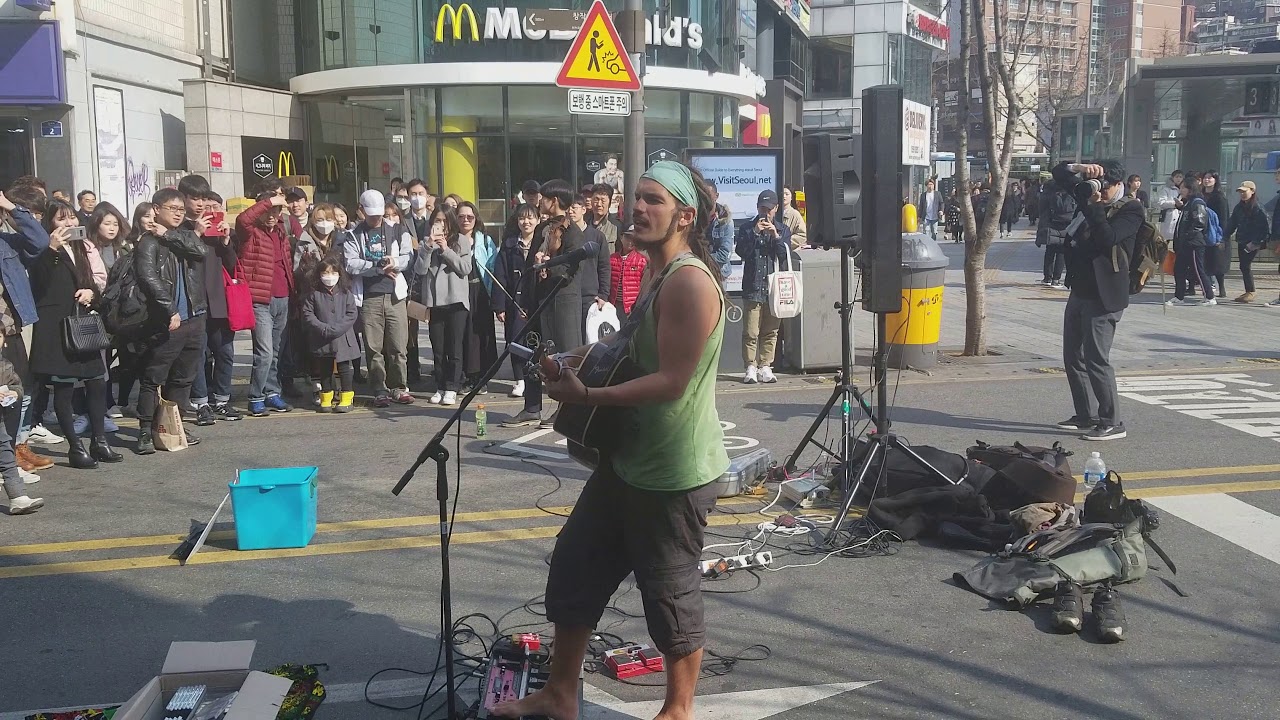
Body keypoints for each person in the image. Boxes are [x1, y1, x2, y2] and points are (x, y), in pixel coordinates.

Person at [492, 160, 729, 720]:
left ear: (685, 217)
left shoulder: (690, 282)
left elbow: (672, 381)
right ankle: (559, 694)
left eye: (654, 200)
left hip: (673, 472)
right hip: (628, 460)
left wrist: (585, 398)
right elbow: (628, 347)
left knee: (669, 594)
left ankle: (678, 709)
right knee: (576, 566)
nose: (638, 208)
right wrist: (576, 359)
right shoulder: (656, 272)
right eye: (638, 197)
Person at [1055, 160, 1143, 443]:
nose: (1100, 192)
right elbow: (1059, 173)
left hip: (1105, 294)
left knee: (1097, 359)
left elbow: (1108, 238)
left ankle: (1112, 421)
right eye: (1099, 186)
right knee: (1073, 356)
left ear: (1120, 185)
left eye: (1106, 187)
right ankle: (1085, 415)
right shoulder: (1088, 193)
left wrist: (1094, 206)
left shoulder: (1131, 209)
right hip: (1080, 288)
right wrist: (1080, 168)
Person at [30, 200, 120, 468]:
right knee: (64, 385)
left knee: (96, 380)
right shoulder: (41, 248)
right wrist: (52, 250)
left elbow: (94, 280)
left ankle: (99, 441)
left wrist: (92, 293)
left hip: (82, 322)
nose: (68, 224)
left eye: (71, 218)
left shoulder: (83, 247)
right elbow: (39, 282)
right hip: (55, 325)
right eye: (61, 219)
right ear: (50, 223)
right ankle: (75, 446)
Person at [133, 188, 210, 455]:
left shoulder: (180, 236)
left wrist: (167, 234)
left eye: (180, 209)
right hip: (168, 320)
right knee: (154, 376)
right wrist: (169, 310)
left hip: (195, 318)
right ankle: (145, 430)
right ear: (156, 209)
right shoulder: (147, 242)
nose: (178, 213)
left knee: (183, 377)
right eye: (172, 209)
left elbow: (200, 250)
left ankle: (172, 425)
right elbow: (148, 278)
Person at [0, 185, 56, 476]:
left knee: (17, 389)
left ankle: (13, 451)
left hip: (11, 325)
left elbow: (39, 240)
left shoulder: (7, 240)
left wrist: (11, 208)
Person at [345, 189, 413, 408]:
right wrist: (376, 268)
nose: (376, 218)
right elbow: (350, 263)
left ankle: (399, 387)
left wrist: (393, 262)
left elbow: (407, 256)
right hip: (369, 297)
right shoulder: (354, 234)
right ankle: (379, 388)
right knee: (374, 347)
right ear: (362, 210)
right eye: (371, 213)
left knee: (398, 345)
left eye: (379, 213)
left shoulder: (397, 229)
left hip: (395, 295)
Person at [235, 184, 295, 416]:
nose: (272, 216)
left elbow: (286, 265)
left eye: (277, 212)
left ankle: (272, 392)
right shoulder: (250, 232)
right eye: (268, 211)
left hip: (283, 298)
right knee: (265, 352)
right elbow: (242, 219)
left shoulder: (281, 232)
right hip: (260, 300)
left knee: (276, 351)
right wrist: (271, 201)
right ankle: (255, 396)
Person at [416, 206, 472, 406]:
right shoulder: (426, 242)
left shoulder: (461, 241)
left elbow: (465, 268)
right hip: (435, 302)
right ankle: (440, 385)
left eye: (443, 221)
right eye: (436, 221)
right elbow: (420, 270)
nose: (439, 226)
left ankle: (452, 387)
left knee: (454, 347)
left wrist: (446, 249)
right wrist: (429, 247)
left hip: (456, 301)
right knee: (438, 347)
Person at [735, 189, 791, 385]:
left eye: (769, 209)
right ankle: (750, 366)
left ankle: (766, 365)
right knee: (750, 331)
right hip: (753, 286)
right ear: (757, 207)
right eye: (761, 208)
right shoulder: (747, 228)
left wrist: (775, 236)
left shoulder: (783, 230)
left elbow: (784, 257)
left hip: (774, 288)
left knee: (771, 330)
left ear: (775, 209)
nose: (765, 213)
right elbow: (742, 252)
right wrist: (755, 233)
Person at [493, 204, 539, 401]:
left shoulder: (542, 243)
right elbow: (500, 275)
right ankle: (519, 379)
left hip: (536, 301)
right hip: (514, 301)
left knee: (535, 342)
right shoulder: (509, 244)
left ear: (538, 220)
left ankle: (536, 376)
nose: (526, 222)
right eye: (522, 218)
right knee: (515, 340)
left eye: (530, 218)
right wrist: (500, 306)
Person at [301, 258, 359, 413]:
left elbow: (352, 313)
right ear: (319, 274)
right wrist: (323, 328)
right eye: (325, 272)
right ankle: (326, 398)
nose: (329, 276)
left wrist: (337, 328)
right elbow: (308, 314)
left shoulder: (346, 293)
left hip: (343, 337)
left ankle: (346, 399)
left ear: (339, 274)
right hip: (322, 338)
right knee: (325, 370)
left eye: (333, 272)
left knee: (345, 368)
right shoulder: (314, 294)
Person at [458, 200, 498, 393]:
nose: (466, 220)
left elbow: (493, 266)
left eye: (470, 217)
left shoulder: (484, 240)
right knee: (463, 335)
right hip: (459, 292)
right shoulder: (452, 239)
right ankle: (466, 375)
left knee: (480, 335)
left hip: (480, 292)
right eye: (461, 217)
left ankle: (482, 377)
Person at [0, 343, 41, 513]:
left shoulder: (4, 365)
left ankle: (18, 497)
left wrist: (14, 393)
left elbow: (17, 385)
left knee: (6, 453)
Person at [1168, 176, 1216, 307]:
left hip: (1194, 243)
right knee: (1179, 269)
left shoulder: (1197, 203)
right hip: (1185, 243)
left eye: (1183, 187)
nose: (1181, 189)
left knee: (1198, 270)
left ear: (1190, 189)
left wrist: (1188, 236)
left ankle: (1209, 296)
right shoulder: (1188, 203)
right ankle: (1179, 296)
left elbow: (1199, 223)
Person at [569, 195, 610, 341]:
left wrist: (603, 294)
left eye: (574, 208)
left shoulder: (597, 236)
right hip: (569, 295)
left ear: (584, 210)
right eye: (568, 208)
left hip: (590, 297)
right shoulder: (564, 235)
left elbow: (604, 266)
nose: (570, 211)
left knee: (591, 339)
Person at [1224, 180, 1269, 304]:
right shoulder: (1239, 207)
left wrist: (1256, 242)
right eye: (1240, 192)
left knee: (1245, 265)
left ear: (1252, 191)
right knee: (1243, 265)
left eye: (1245, 191)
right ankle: (1249, 290)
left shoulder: (1257, 207)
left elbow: (1265, 227)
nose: (1242, 194)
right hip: (1242, 240)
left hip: (1252, 242)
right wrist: (1224, 236)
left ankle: (1251, 291)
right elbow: (1232, 223)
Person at [1037, 172, 1077, 288]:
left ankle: (1047, 278)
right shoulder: (1071, 188)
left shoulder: (1050, 188)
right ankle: (1056, 280)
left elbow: (1042, 207)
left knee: (1049, 251)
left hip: (1051, 223)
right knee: (1061, 253)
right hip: (1067, 225)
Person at [1202, 171, 1231, 298]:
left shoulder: (1220, 197)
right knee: (1205, 262)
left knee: (1217, 262)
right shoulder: (1201, 196)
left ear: (1216, 180)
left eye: (1210, 178)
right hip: (1203, 232)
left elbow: (1224, 219)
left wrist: (1222, 237)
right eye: (1205, 178)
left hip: (1216, 233)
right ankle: (1207, 287)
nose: (1207, 180)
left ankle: (1221, 288)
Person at [608, 225, 647, 318]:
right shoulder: (612, 259)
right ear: (622, 238)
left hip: (632, 306)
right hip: (613, 305)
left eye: (634, 239)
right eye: (628, 238)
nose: (631, 242)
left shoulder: (641, 260)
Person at [707, 182, 734, 283]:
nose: (705, 199)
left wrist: (700, 258)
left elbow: (724, 256)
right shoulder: (695, 219)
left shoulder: (726, 221)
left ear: (716, 196)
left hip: (718, 275)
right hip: (697, 274)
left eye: (708, 195)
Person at [588, 183, 620, 253]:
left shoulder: (616, 226)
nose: (599, 204)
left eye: (603, 200)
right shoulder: (584, 223)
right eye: (596, 199)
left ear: (610, 203)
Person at [1155, 169, 1184, 240]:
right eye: (1177, 177)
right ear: (1172, 178)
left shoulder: (1184, 189)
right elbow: (1160, 202)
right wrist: (1174, 204)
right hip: (1169, 216)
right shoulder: (1166, 189)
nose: (1178, 179)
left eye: (1180, 177)